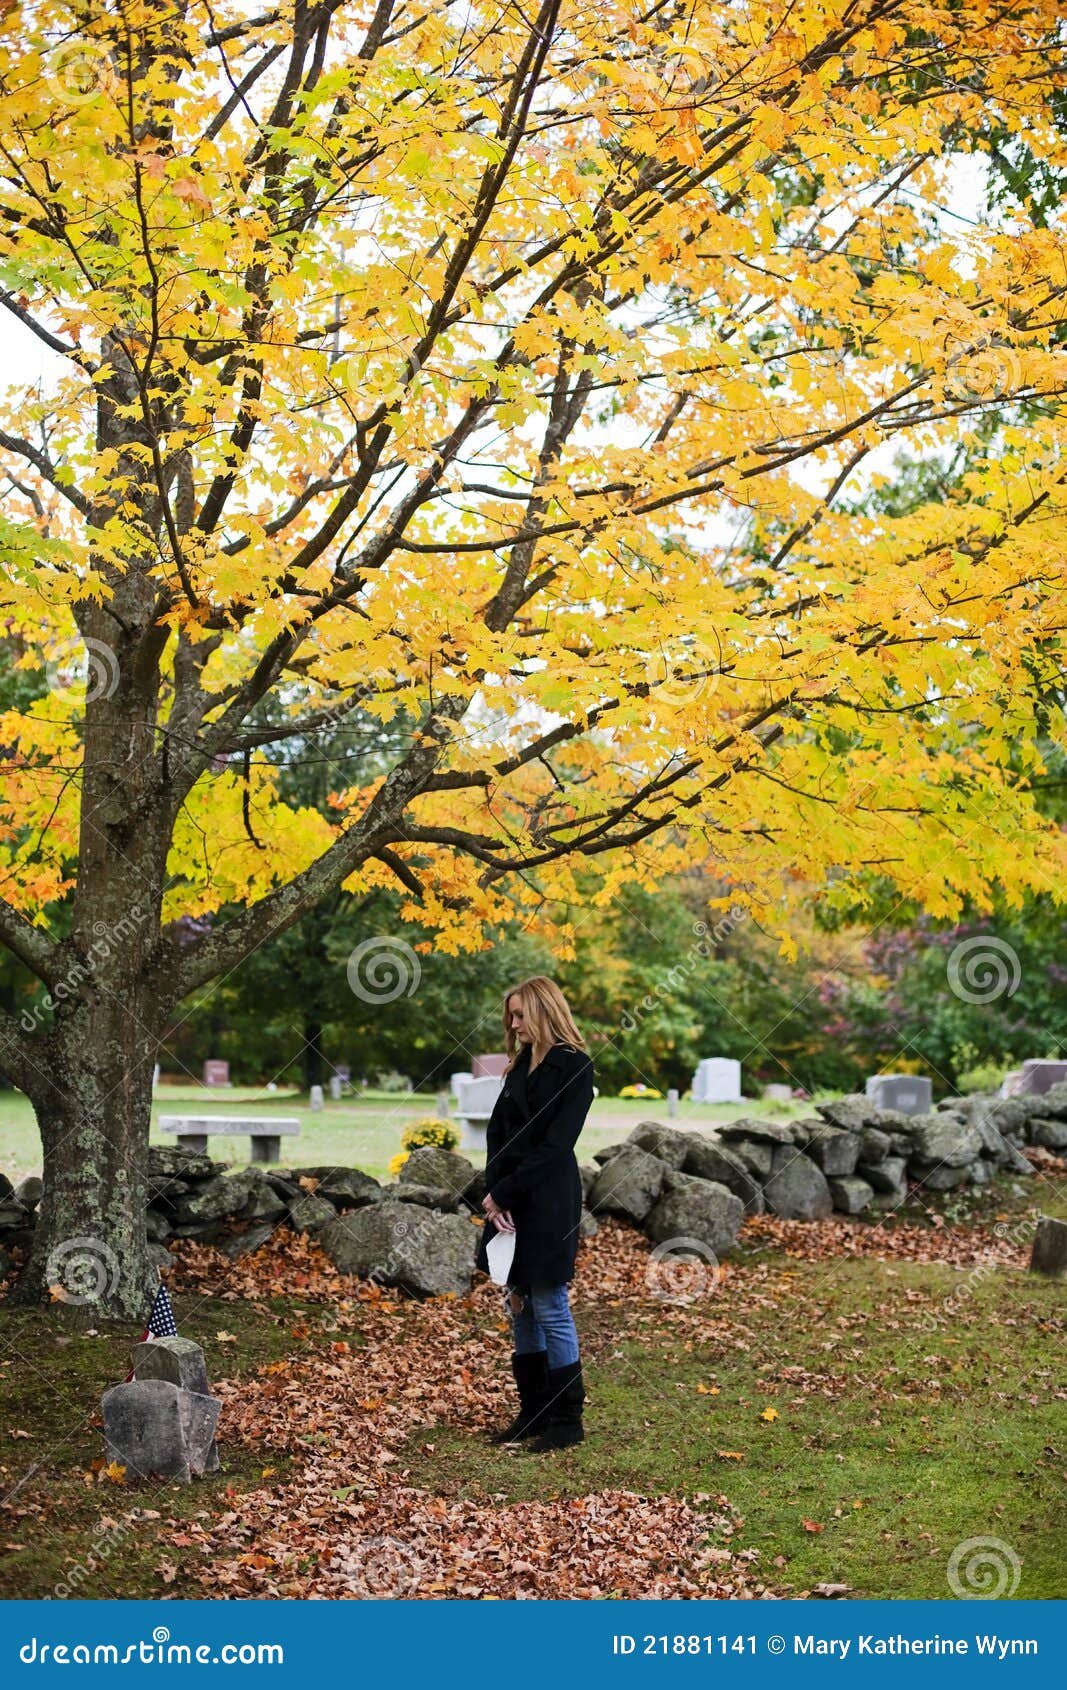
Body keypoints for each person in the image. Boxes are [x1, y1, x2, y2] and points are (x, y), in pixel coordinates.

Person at [473, 975, 595, 1452]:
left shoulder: (574, 1067)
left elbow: (555, 1145)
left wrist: (505, 1192)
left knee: (549, 1304)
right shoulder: (519, 1066)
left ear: (545, 1012)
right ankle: (534, 1411)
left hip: (547, 1199)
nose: (514, 1023)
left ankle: (567, 1420)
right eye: (512, 1016)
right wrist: (494, 1195)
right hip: (509, 1200)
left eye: (521, 1014)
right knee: (519, 1306)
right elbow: (497, 1137)